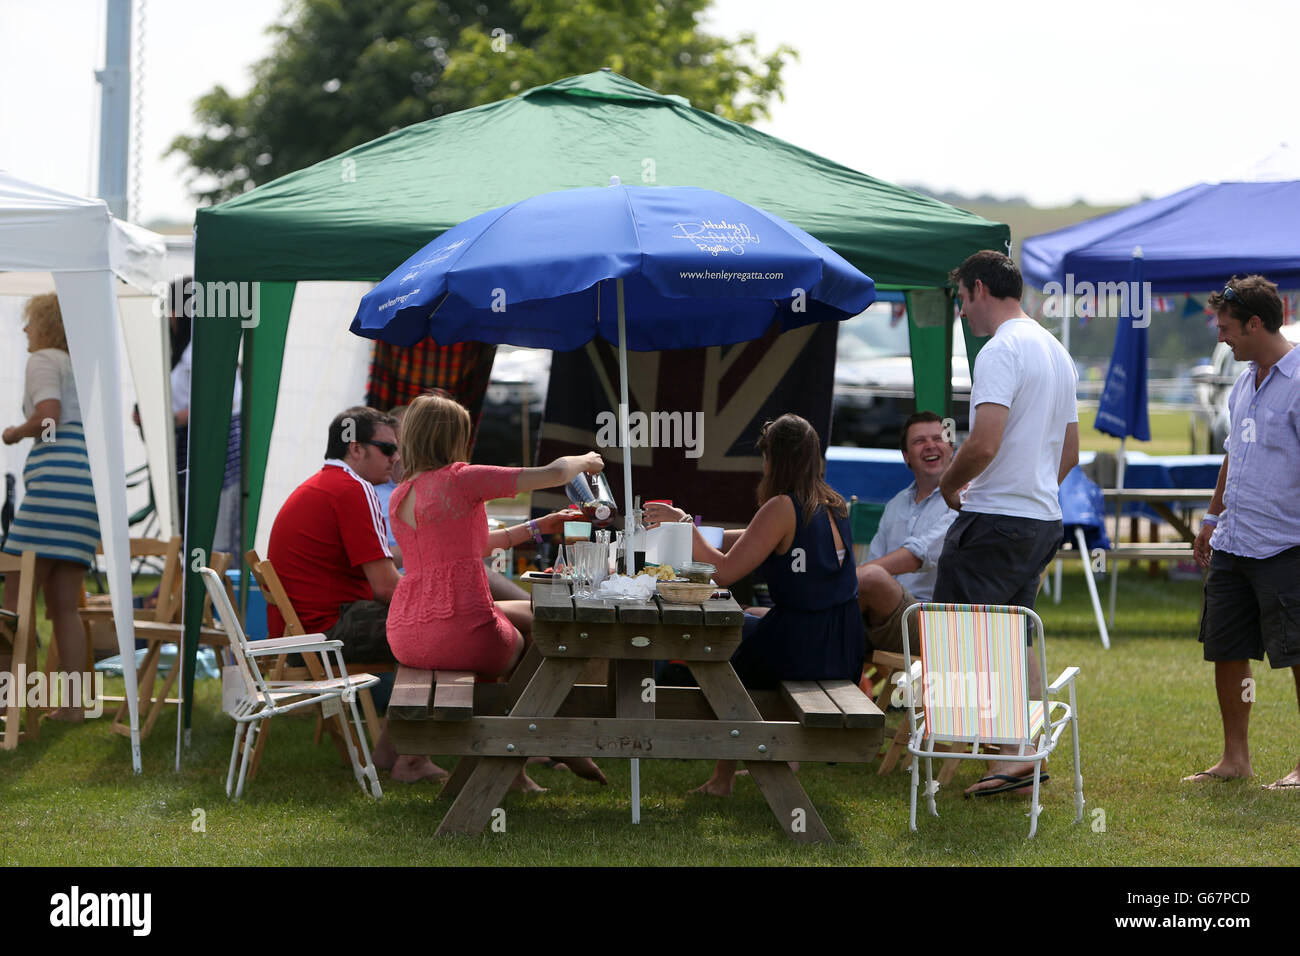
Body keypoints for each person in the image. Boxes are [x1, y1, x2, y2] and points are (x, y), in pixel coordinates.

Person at [386, 393, 607, 789]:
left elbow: (474, 545)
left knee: (528, 617)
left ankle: (520, 760)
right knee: (544, 633)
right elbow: (555, 472)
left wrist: (541, 525)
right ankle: (545, 741)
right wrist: (586, 462)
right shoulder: (462, 478)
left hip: (406, 633)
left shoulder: (403, 493)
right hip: (459, 633)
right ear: (455, 437)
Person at [644, 413, 864, 796]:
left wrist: (683, 527)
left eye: (765, 456)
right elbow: (752, 539)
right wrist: (698, 529)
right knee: (748, 617)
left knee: (727, 639)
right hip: (841, 642)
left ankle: (724, 777)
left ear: (775, 459)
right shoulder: (832, 503)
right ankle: (742, 770)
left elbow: (725, 573)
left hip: (804, 647)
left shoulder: (781, 506)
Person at [933, 250, 1079, 797]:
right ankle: (1020, 759)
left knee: (962, 642)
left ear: (978, 289)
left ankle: (1013, 756)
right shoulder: (1057, 351)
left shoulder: (999, 349)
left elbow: (985, 440)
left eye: (962, 301)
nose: (962, 314)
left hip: (998, 517)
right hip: (1042, 518)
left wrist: (949, 485)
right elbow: (1070, 453)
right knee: (1012, 640)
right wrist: (1033, 487)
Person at [266, 405, 441, 783]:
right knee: (438, 633)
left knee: (431, 624)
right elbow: (385, 587)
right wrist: (444, 600)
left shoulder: (326, 484)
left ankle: (392, 753)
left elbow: (380, 575)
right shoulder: (353, 489)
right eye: (388, 448)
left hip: (300, 634)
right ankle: (411, 757)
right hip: (325, 634)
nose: (396, 458)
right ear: (355, 448)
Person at [1188, 275, 1300, 792]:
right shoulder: (1242, 383)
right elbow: (1234, 455)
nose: (1221, 338)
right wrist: (1212, 518)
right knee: (1227, 647)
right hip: (1234, 539)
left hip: (1288, 544)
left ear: (1256, 324)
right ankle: (1236, 759)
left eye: (1227, 328)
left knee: (1298, 655)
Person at [1, 294, 98, 721]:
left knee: (12, 602)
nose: (25, 331)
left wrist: (15, 433)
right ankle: (73, 707)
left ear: (45, 326)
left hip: (51, 488)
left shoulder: (43, 359)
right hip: (84, 486)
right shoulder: (81, 366)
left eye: (29, 323)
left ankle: (9, 703)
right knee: (65, 608)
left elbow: (48, 417)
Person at [857, 410, 957, 655]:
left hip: (936, 624)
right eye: (919, 441)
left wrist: (849, 577)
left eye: (938, 438)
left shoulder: (965, 499)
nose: (930, 446)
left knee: (869, 579)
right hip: (884, 617)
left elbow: (918, 554)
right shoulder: (896, 504)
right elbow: (873, 561)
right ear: (906, 457)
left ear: (951, 449)